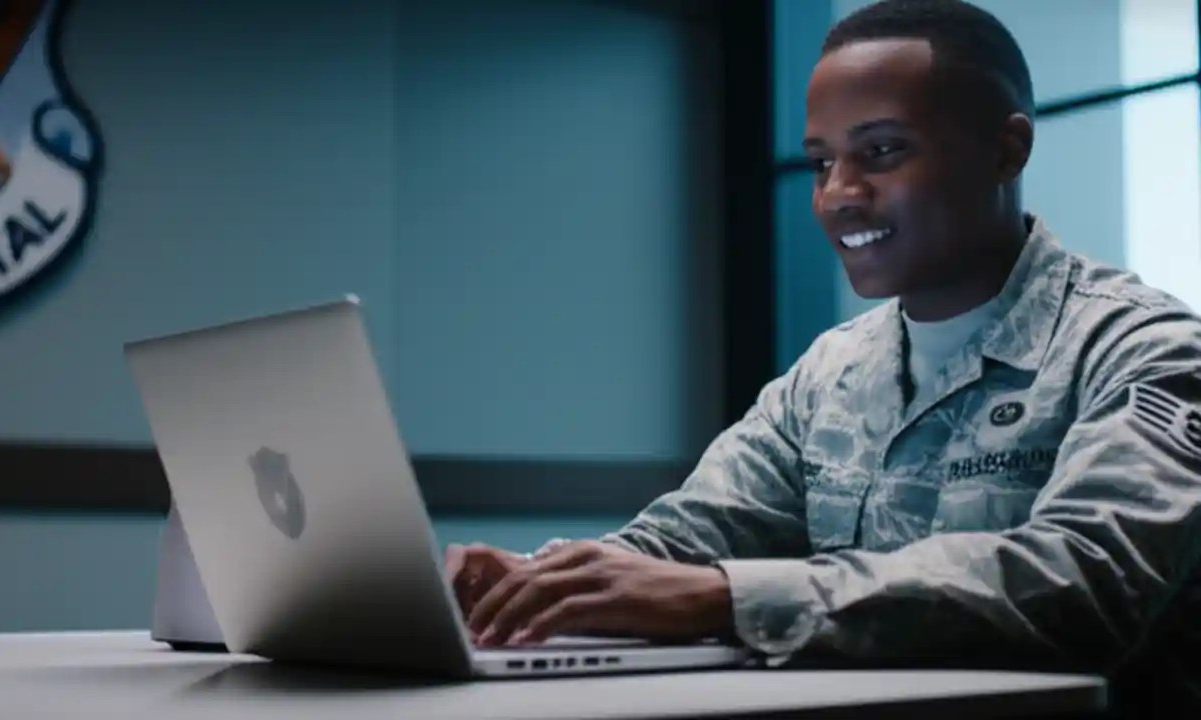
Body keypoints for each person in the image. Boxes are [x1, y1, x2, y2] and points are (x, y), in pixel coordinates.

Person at [445, 0, 1201, 713]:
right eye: (818, 163)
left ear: (1007, 150)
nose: (838, 194)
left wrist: (723, 597)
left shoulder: (1143, 351)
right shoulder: (829, 375)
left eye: (881, 152)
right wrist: (537, 581)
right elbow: (680, 542)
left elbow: (1083, 581)